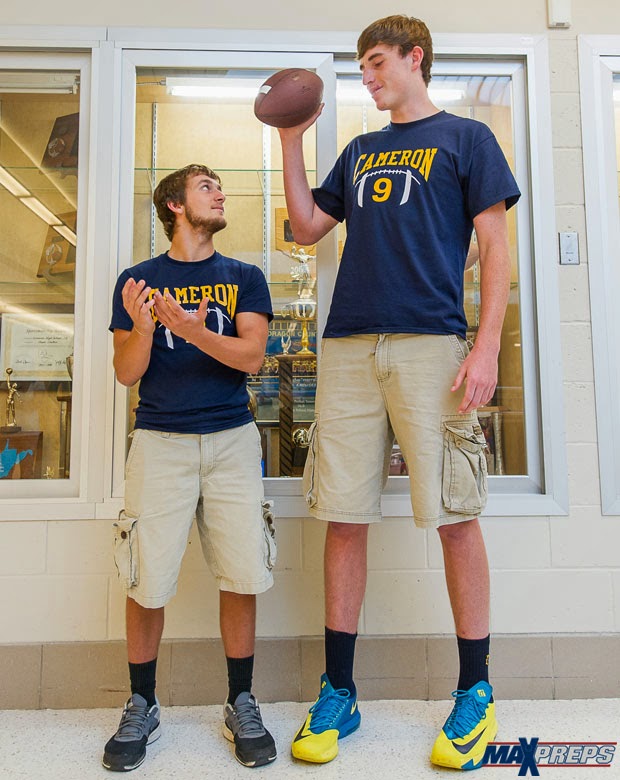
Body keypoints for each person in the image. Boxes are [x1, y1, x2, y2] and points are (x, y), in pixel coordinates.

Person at [276, 15, 520, 771]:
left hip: (432, 345)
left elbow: (495, 248)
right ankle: (340, 691)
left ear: (416, 59)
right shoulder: (359, 149)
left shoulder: (467, 139)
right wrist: (289, 138)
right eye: (364, 67)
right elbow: (306, 225)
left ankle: (474, 690)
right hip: (350, 348)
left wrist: (485, 347)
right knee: (342, 517)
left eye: (378, 62)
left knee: (454, 515)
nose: (369, 76)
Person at [104, 163, 277, 772]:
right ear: (175, 205)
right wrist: (150, 325)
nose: (220, 194)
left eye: (219, 188)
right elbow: (127, 372)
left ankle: (240, 699)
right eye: (207, 188)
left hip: (232, 440)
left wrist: (191, 330)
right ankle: (141, 702)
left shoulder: (244, 277)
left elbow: (252, 358)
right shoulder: (138, 281)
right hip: (160, 442)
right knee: (146, 577)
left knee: (242, 571)